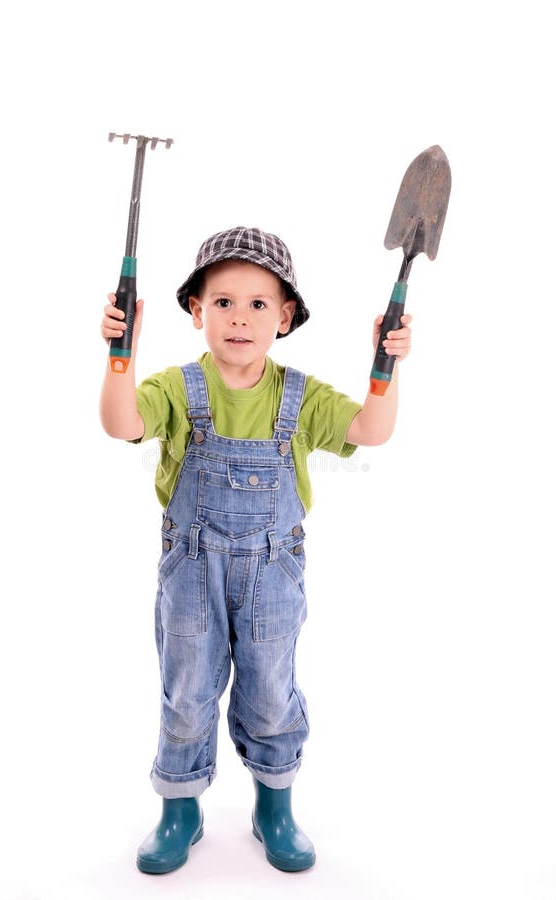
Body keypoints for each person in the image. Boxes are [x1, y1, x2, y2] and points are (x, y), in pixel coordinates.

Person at [99, 226, 412, 875]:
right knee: (186, 691)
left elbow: (370, 433)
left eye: (258, 304)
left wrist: (387, 367)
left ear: (286, 315)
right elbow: (121, 423)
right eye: (222, 302)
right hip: (191, 568)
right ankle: (180, 810)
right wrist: (117, 357)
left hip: (273, 569)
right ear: (195, 311)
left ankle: (275, 805)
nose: (239, 318)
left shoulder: (300, 396)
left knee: (271, 690)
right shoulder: (175, 388)